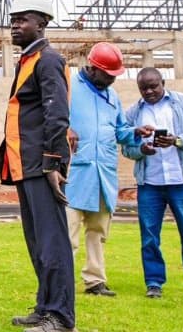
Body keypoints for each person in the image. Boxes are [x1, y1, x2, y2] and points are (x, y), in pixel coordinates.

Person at [0, 0, 75, 332]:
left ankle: (60, 317)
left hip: (41, 166)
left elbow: (57, 114)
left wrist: (53, 162)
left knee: (52, 240)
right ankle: (45, 306)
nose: (15, 26)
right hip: (23, 165)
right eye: (13, 20)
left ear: (42, 23)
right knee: (37, 241)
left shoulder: (48, 60)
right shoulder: (28, 60)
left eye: (22, 20)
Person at [65, 43, 150, 299]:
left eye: (115, 75)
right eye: (108, 75)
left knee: (98, 231)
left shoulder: (112, 97)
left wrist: (135, 132)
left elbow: (120, 131)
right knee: (67, 233)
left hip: (103, 175)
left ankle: (95, 281)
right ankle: (62, 285)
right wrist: (64, 129)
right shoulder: (68, 87)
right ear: (92, 68)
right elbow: (50, 117)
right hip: (74, 174)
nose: (112, 80)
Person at [123, 67, 183, 302]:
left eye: (153, 86)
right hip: (150, 184)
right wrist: (141, 149)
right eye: (144, 88)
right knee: (149, 237)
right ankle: (154, 283)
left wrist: (177, 140)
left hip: (181, 180)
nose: (149, 91)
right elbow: (126, 147)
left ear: (163, 82)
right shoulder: (133, 112)